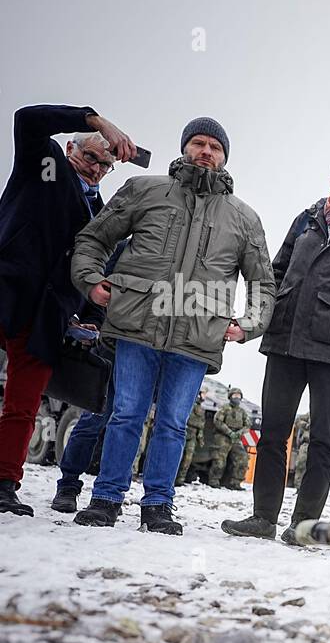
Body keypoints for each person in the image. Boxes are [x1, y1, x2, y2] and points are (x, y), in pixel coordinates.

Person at [70, 117, 273, 534]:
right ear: (184, 148)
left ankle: (158, 504)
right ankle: (106, 498)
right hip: (136, 324)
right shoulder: (144, 191)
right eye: (198, 143)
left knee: (172, 423)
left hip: (196, 336)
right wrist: (90, 282)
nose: (205, 151)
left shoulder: (244, 218)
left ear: (224, 157)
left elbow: (262, 282)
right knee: (126, 414)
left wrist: (248, 324)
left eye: (214, 147)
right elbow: (93, 239)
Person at [222, 154, 330, 545]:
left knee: (322, 438)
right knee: (272, 432)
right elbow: (275, 271)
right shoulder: (306, 222)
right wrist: (269, 309)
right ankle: (262, 517)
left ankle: (304, 525)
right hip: (285, 339)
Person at [0, 104, 135, 517]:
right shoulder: (45, 165)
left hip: (47, 317)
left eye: (105, 164)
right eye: (91, 155)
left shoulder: (104, 216)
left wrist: (89, 320)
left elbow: (99, 274)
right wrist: (96, 121)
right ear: (70, 147)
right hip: (7, 290)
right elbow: (28, 119)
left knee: (22, 404)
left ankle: (5, 481)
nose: (95, 167)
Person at [209, 388, 252, 489]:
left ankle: (235, 482)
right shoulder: (224, 409)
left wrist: (239, 433)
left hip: (236, 438)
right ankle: (214, 481)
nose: (237, 398)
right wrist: (229, 432)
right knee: (219, 460)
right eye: (234, 396)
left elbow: (248, 425)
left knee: (243, 458)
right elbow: (218, 421)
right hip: (223, 436)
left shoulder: (242, 412)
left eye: (238, 396)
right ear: (230, 397)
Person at [175, 388, 207, 487]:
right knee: (177, 457)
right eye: (203, 394)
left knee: (187, 459)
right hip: (184, 432)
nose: (204, 397)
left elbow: (201, 424)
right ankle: (172, 478)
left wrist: (200, 438)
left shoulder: (201, 409)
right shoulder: (188, 404)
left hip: (193, 435)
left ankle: (180, 480)